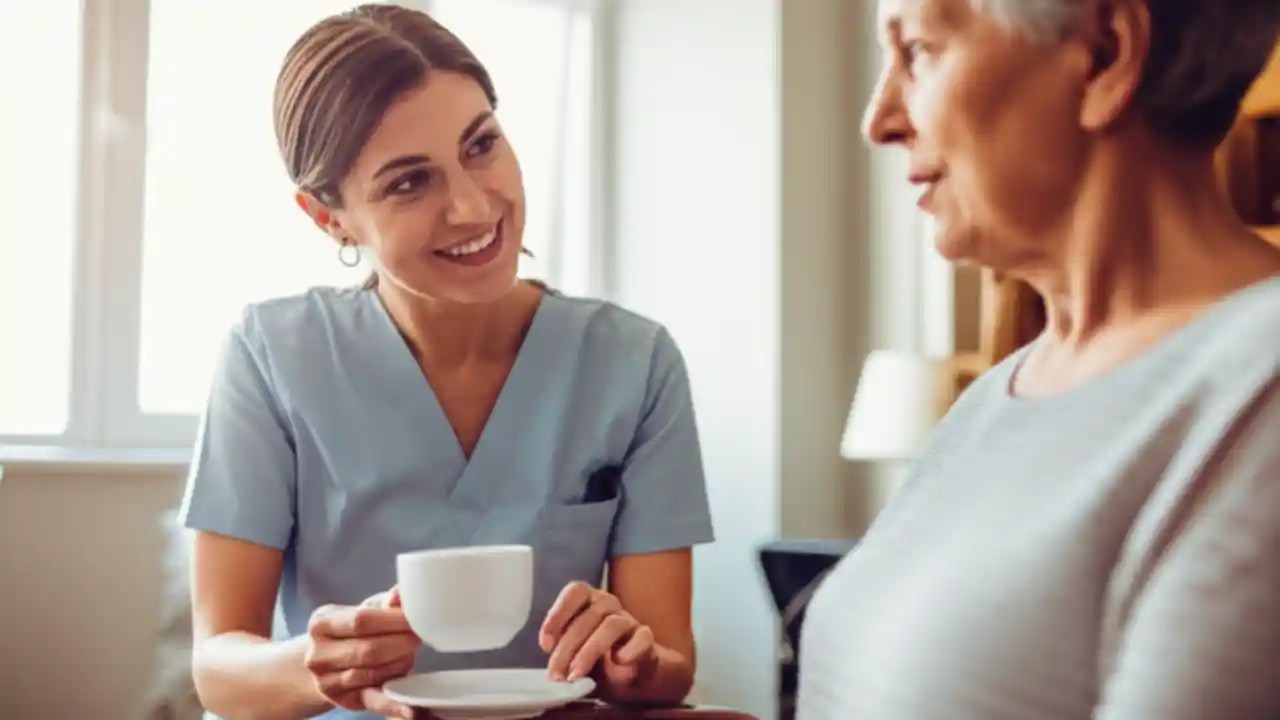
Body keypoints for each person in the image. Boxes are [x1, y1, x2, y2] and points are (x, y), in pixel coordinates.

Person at [179, 5, 713, 719]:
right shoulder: (272, 356)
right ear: (328, 216)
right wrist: (316, 665)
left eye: (481, 144)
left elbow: (669, 663)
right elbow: (218, 669)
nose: (470, 206)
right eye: (409, 182)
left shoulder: (634, 363)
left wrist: (632, 660)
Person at [798, 1, 1280, 718]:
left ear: (1106, 56)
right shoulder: (990, 402)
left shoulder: (1256, 391)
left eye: (920, 51)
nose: (879, 120)